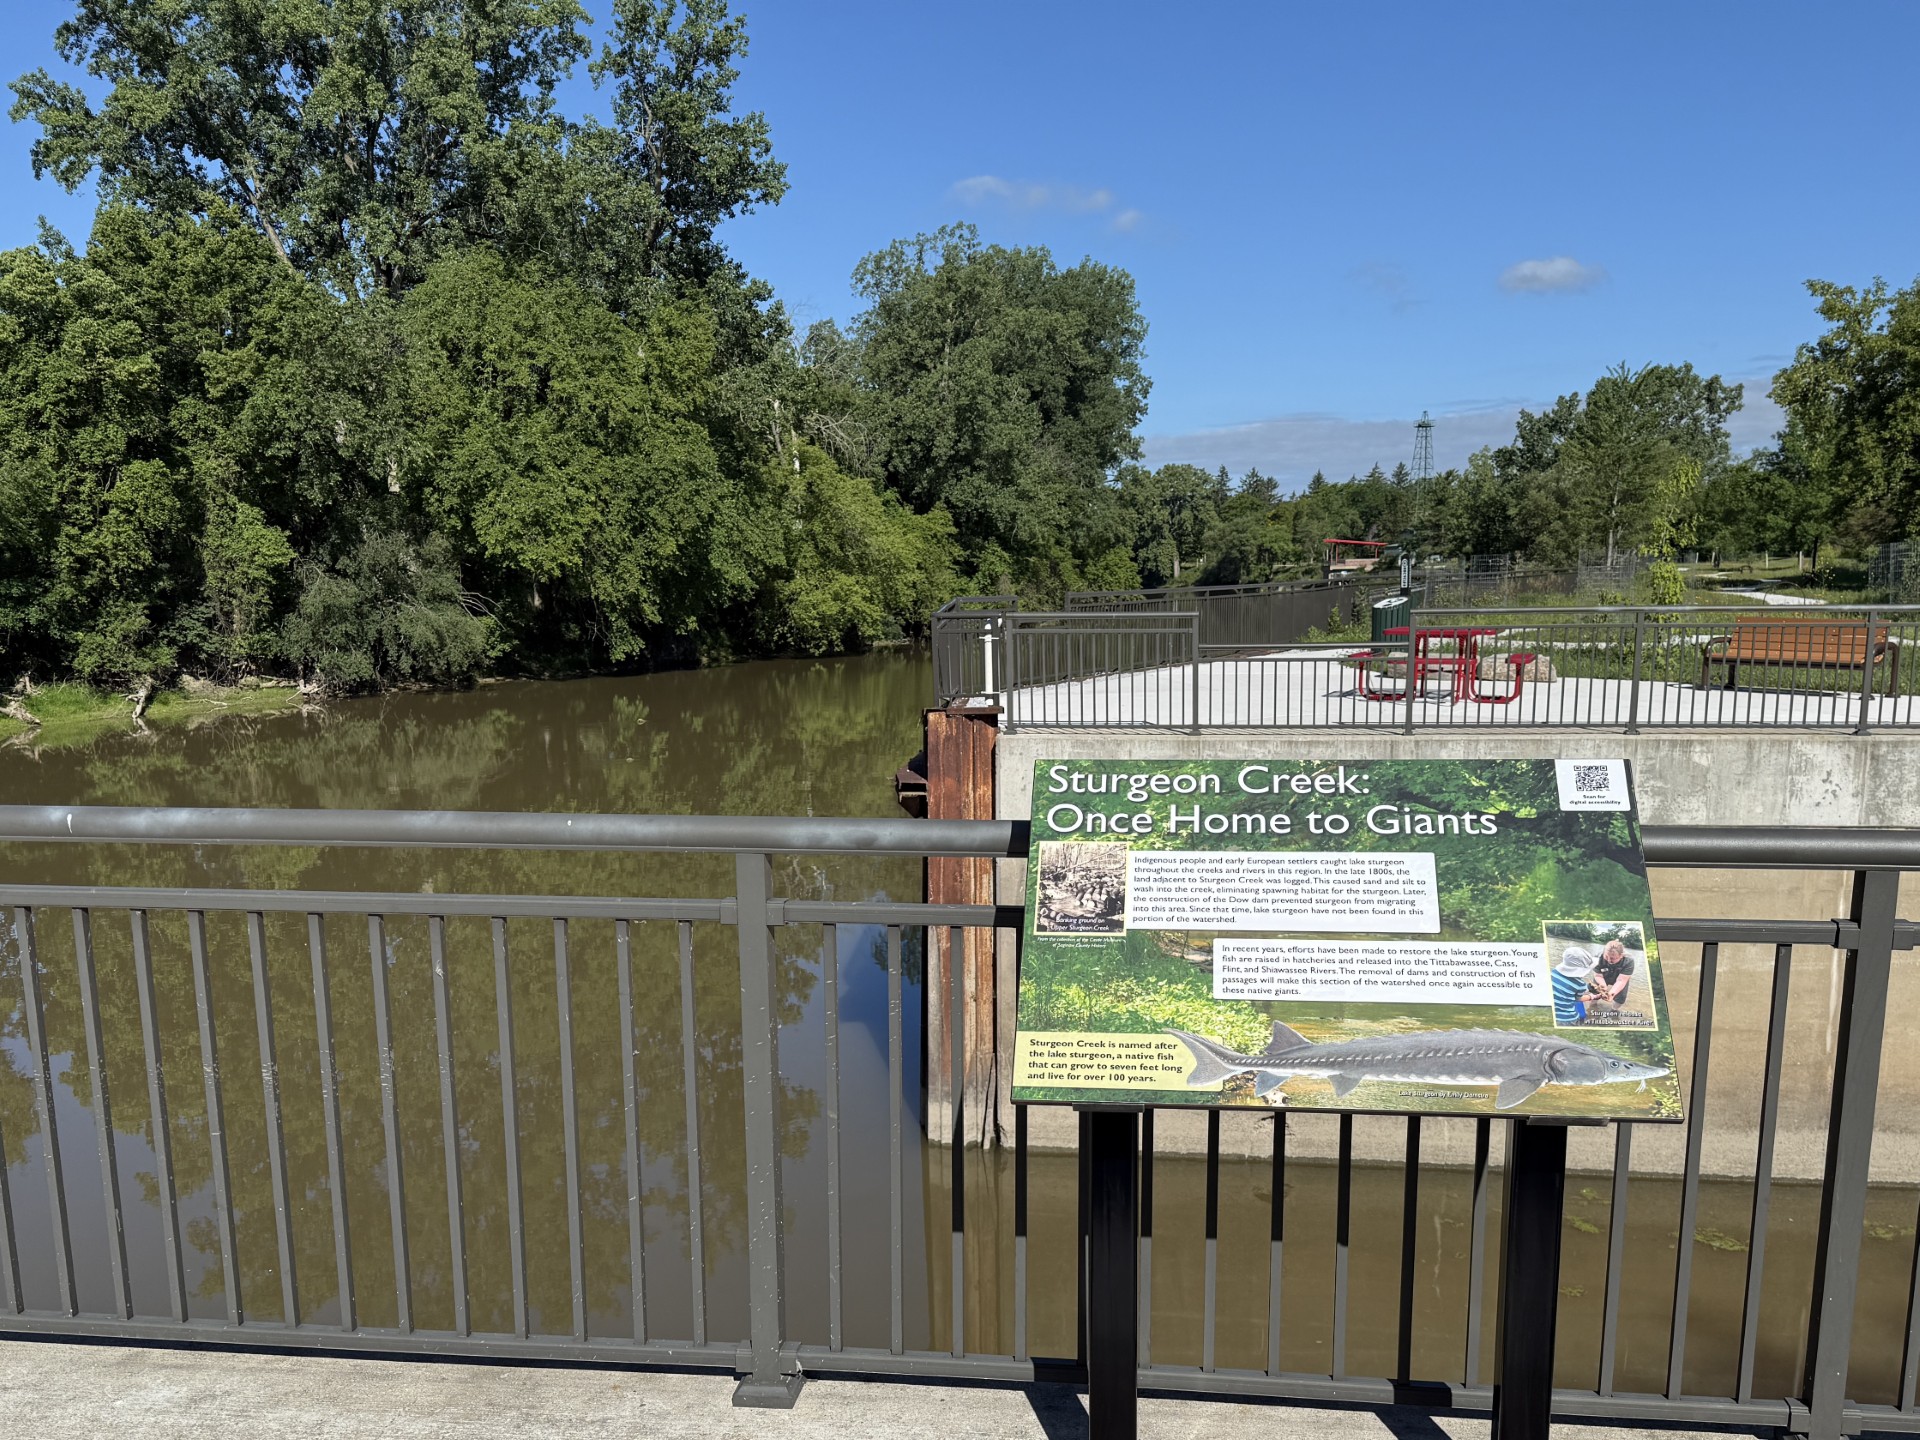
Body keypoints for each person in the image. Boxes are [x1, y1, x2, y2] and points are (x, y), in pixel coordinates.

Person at [1552, 946, 1596, 1025]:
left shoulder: (1553, 973)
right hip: (1567, 1019)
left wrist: (1588, 988)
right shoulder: (1580, 984)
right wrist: (1592, 996)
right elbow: (1578, 999)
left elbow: (1566, 987)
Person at [1587, 938, 1635, 1010]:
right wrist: (1603, 986)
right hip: (1602, 974)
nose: (1609, 960)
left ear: (1621, 956)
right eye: (1606, 956)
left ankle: (1614, 1010)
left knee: (1621, 997)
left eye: (1612, 958)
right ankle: (1592, 1008)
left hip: (1620, 976)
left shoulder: (1629, 960)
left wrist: (1612, 993)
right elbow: (1597, 975)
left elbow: (1621, 980)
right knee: (1595, 992)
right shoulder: (1597, 957)